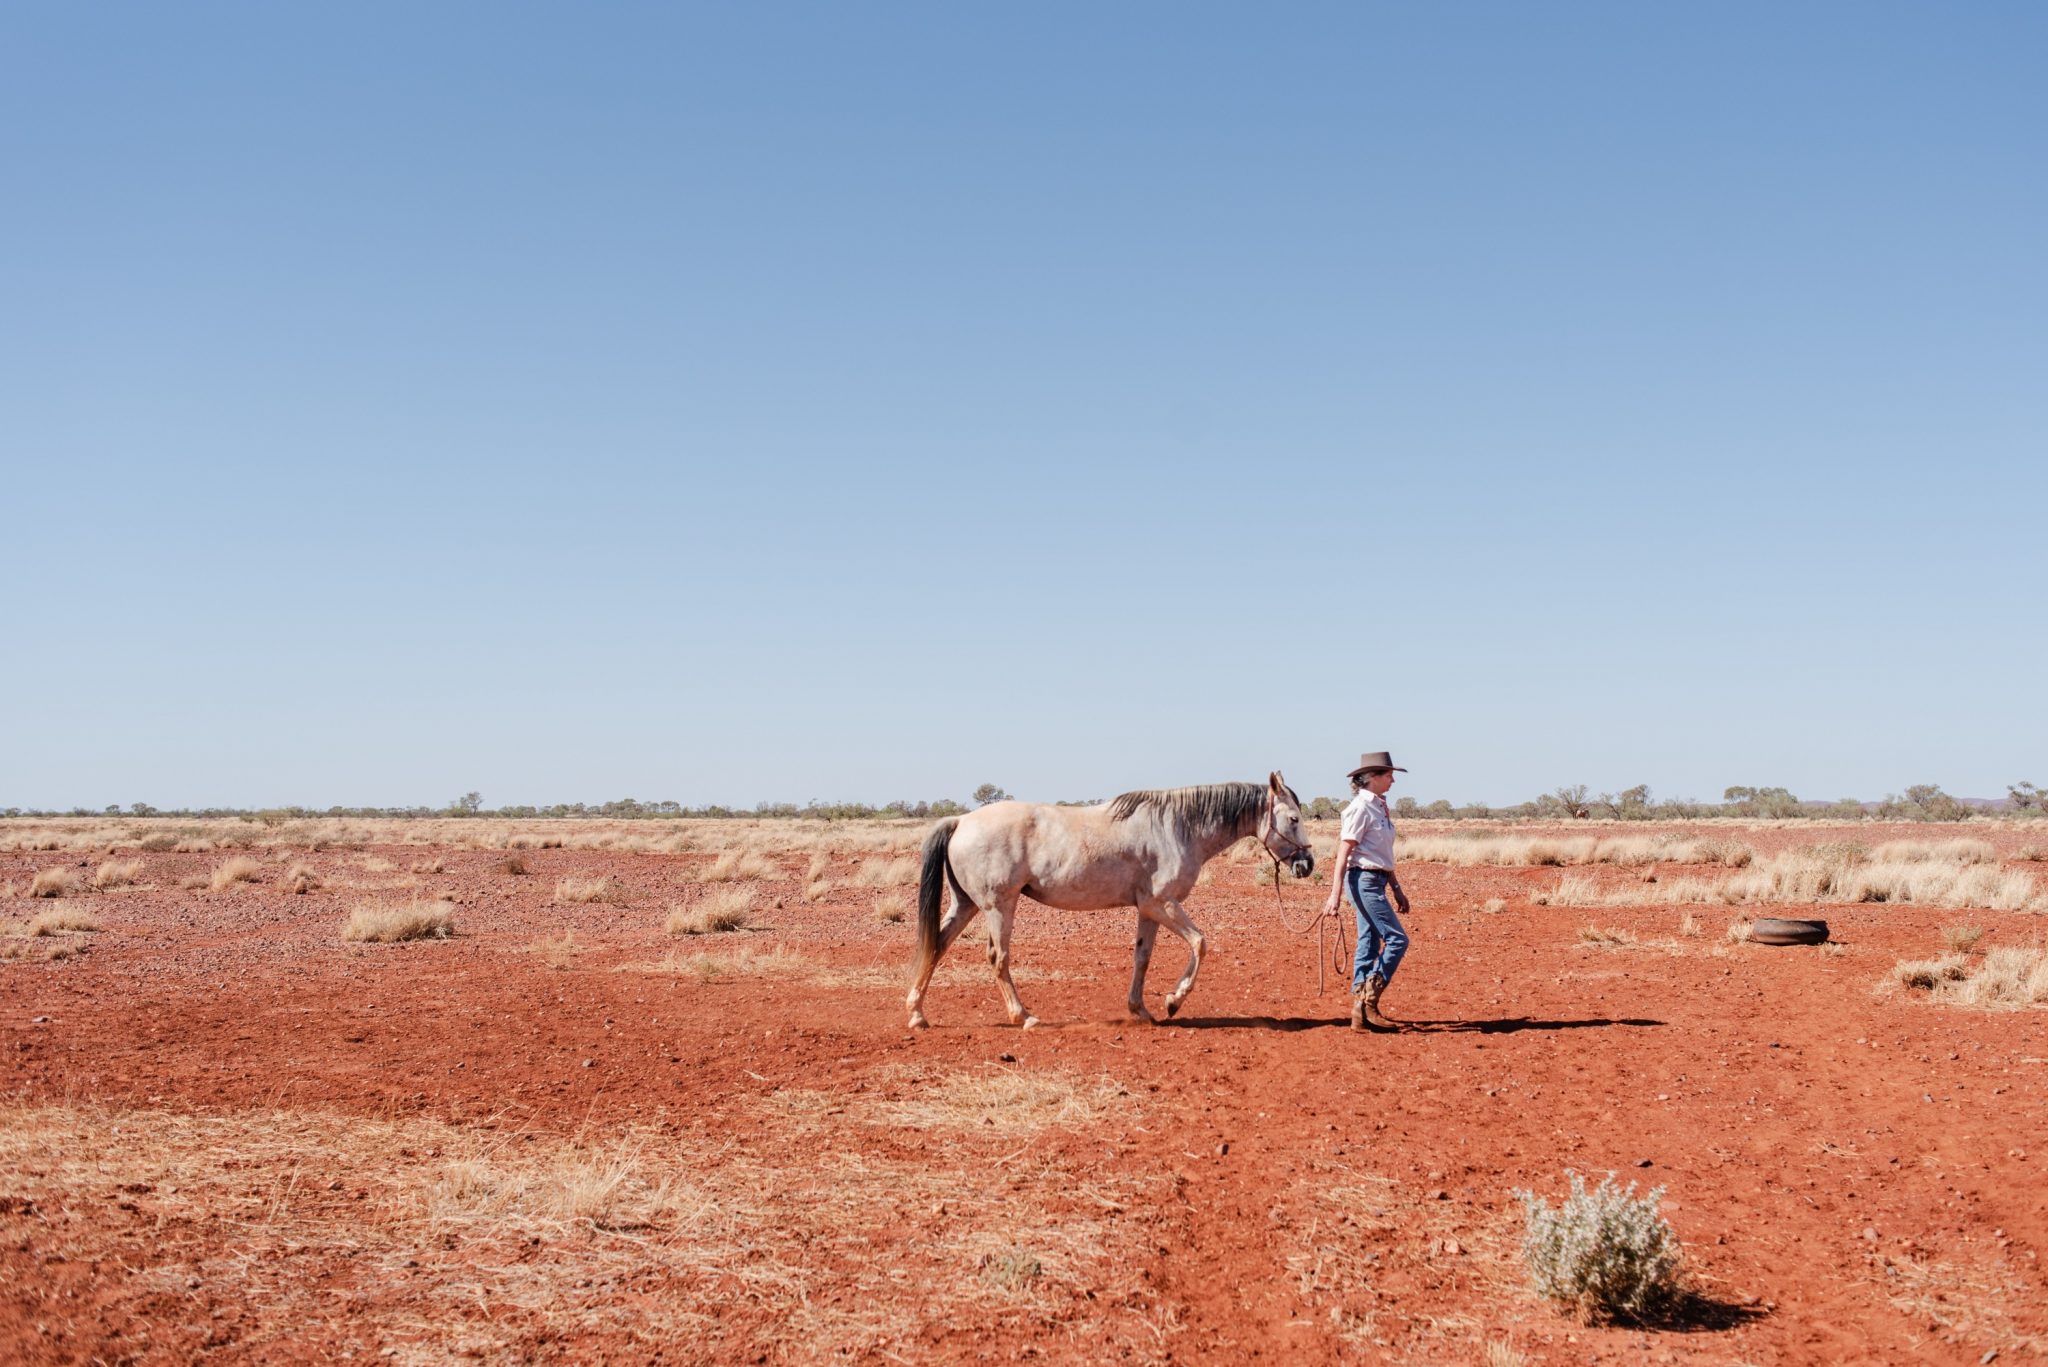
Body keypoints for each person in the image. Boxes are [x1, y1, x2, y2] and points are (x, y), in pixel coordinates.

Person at [1321, 751, 1411, 1031]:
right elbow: (1344, 852)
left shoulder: (1379, 806)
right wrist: (1334, 895)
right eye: (1388, 775)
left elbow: (1382, 852)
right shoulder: (1361, 808)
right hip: (1363, 881)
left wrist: (1396, 888)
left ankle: (1360, 1014)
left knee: (1369, 943)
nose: (1393, 780)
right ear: (1372, 778)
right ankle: (1366, 1001)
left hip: (1377, 879)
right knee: (1397, 940)